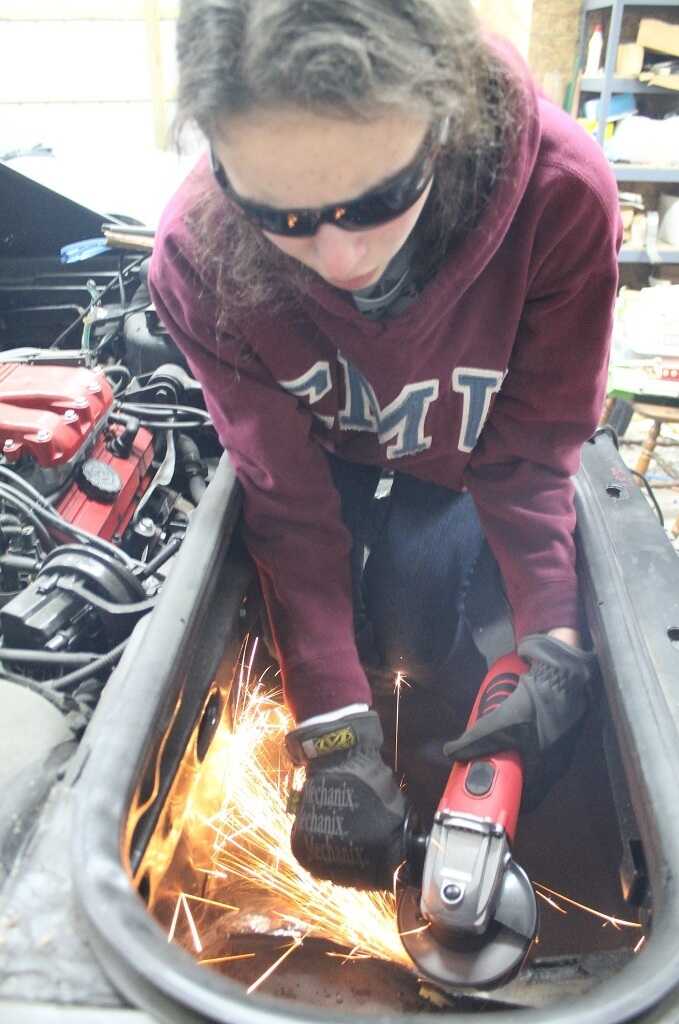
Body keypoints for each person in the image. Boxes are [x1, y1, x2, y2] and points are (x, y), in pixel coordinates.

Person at [149, 0, 620, 890]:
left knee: (436, 597)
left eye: (376, 199)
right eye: (280, 217)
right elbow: (284, 506)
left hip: (470, 466)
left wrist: (551, 637)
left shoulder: (562, 196)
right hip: (323, 469)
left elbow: (527, 462)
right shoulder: (197, 253)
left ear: (445, 122)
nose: (340, 256)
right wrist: (331, 729)